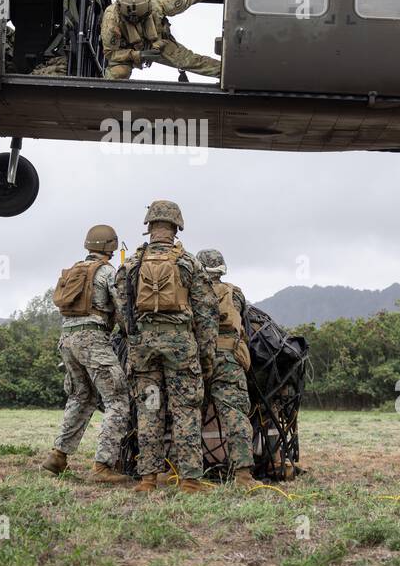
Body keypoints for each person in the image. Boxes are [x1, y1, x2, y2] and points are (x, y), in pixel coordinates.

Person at [113, 200, 219, 493]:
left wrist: (135, 337)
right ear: (176, 226)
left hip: (143, 347)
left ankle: (148, 479)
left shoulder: (132, 263)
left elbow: (121, 310)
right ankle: (189, 480)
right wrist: (206, 354)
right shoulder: (189, 262)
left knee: (149, 409)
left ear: (149, 226)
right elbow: (207, 313)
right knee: (185, 409)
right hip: (180, 346)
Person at [41, 225, 131, 484]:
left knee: (82, 396)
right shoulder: (107, 273)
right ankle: (103, 466)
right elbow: (123, 310)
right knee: (118, 398)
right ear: (111, 248)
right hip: (93, 340)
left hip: (66, 340)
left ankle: (58, 456)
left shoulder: (73, 271)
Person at [196, 249, 258, 487]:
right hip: (228, 358)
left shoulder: (191, 291)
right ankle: (242, 475)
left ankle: (185, 473)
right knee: (235, 415)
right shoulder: (236, 294)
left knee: (187, 416)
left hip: (196, 359)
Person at [100, 0, 223, 80]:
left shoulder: (158, 2)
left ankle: (227, 73)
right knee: (118, 74)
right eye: (131, 19)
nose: (135, 21)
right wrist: (137, 55)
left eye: (140, 19)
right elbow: (110, 53)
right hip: (128, 51)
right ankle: (108, 104)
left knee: (190, 61)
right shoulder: (111, 21)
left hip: (159, 44)